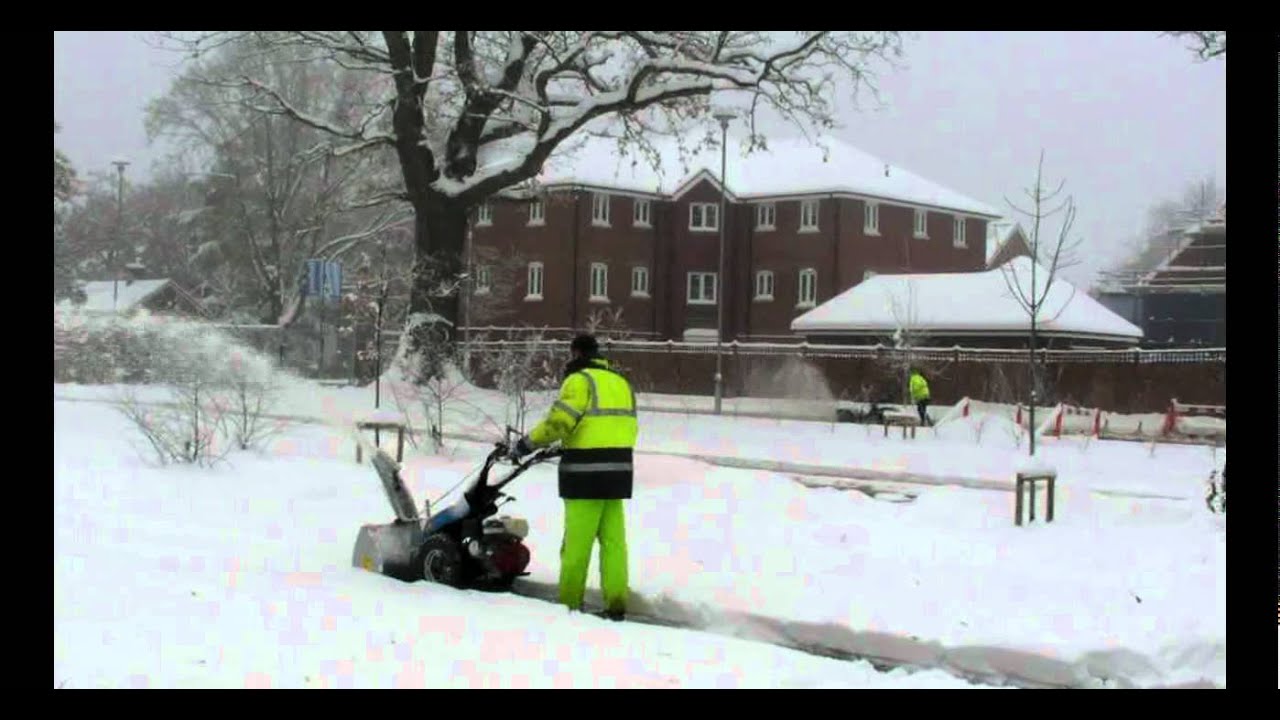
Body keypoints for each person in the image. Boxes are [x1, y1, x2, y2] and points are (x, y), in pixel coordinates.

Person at [510, 334, 638, 621]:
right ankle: (616, 603)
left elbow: (559, 423)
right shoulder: (621, 383)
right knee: (614, 543)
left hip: (585, 474)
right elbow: (618, 426)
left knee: (576, 544)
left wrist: (525, 445)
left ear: (576, 353)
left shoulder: (579, 381)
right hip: (618, 472)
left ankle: (569, 606)